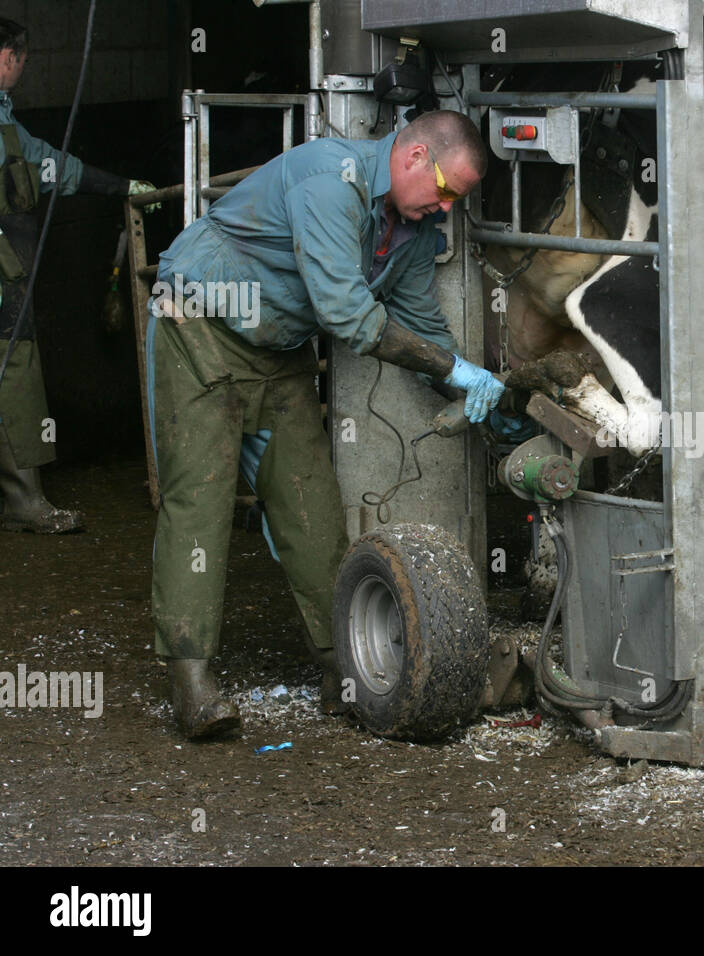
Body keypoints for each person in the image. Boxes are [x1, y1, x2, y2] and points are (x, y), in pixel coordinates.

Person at [148, 109, 505, 739]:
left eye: (459, 199)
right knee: (198, 503)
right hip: (198, 325)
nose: (447, 207)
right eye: (447, 190)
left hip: (277, 347)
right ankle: (192, 681)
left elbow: (423, 328)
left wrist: (472, 387)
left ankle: (342, 667)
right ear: (414, 156)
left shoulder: (416, 232)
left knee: (310, 506)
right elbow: (346, 315)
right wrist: (451, 367)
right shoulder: (328, 178)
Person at [0, 16, 156, 533]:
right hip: (3, 278)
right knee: (15, 371)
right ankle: (24, 501)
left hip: (10, 275)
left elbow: (50, 166)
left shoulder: (7, 123)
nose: (21, 69)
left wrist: (117, 185)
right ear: (9, 58)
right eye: (22, 61)